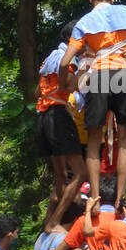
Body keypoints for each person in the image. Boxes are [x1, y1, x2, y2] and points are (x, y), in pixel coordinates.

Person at [60, 0, 126, 211]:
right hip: (124, 75)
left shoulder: (84, 22)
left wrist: (65, 84)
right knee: (124, 139)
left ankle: (94, 197)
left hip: (99, 77)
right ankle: (121, 200)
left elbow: (64, 61)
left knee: (94, 141)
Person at [36, 20, 87, 219]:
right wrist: (85, 72)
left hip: (43, 116)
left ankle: (51, 222)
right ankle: (55, 222)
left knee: (61, 176)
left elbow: (36, 92)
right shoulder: (68, 58)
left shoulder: (48, 58)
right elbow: (69, 85)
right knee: (80, 172)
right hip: (58, 116)